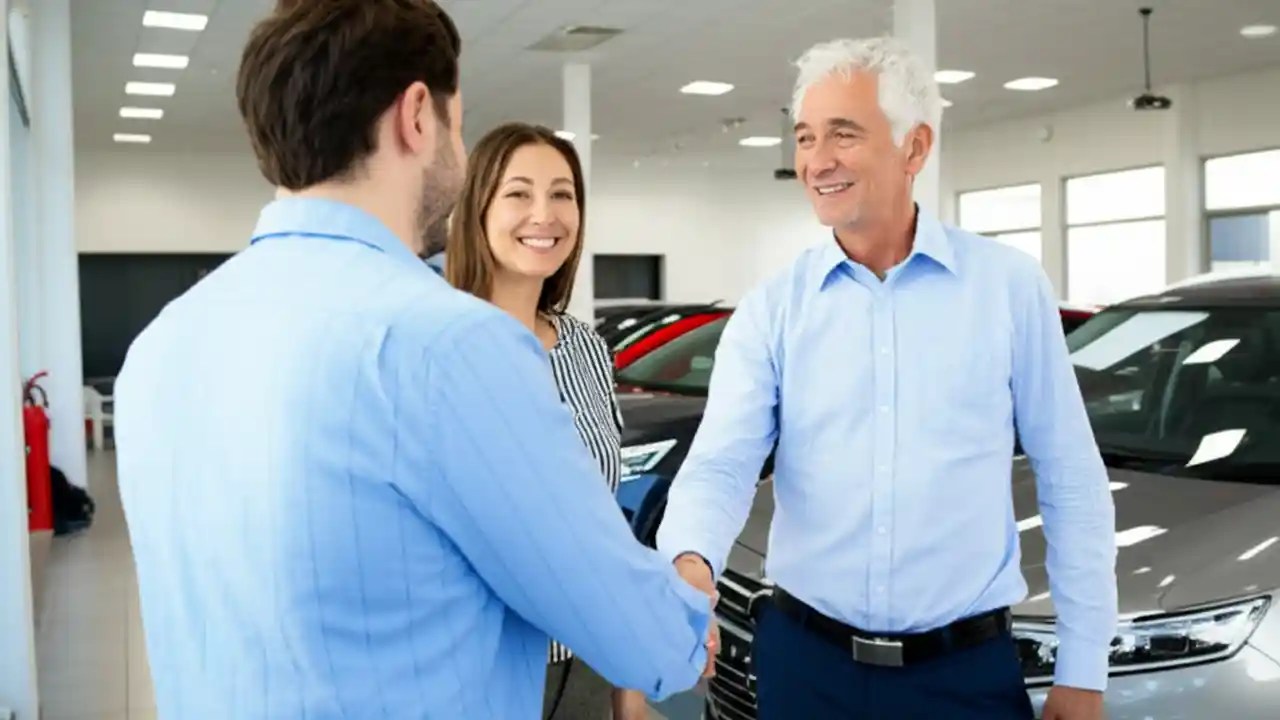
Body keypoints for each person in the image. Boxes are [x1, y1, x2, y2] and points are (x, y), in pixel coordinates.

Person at [112, 2, 714, 719]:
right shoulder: (450, 347)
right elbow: (649, 643)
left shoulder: (160, 346)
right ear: (418, 115)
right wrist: (687, 595)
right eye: (459, 125)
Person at [656, 36, 1117, 720]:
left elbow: (1071, 478)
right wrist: (690, 560)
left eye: (843, 133)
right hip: (806, 670)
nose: (817, 160)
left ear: (915, 148)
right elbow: (721, 465)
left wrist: (1084, 669)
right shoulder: (773, 308)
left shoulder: (1007, 289)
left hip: (964, 678)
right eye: (806, 137)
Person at [446, 121, 650, 720]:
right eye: (518, 193)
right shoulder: (439, 346)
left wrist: (628, 684)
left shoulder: (585, 347)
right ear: (478, 208)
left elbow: (608, 528)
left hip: (583, 660)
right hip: (475, 666)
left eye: (563, 193)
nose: (546, 213)